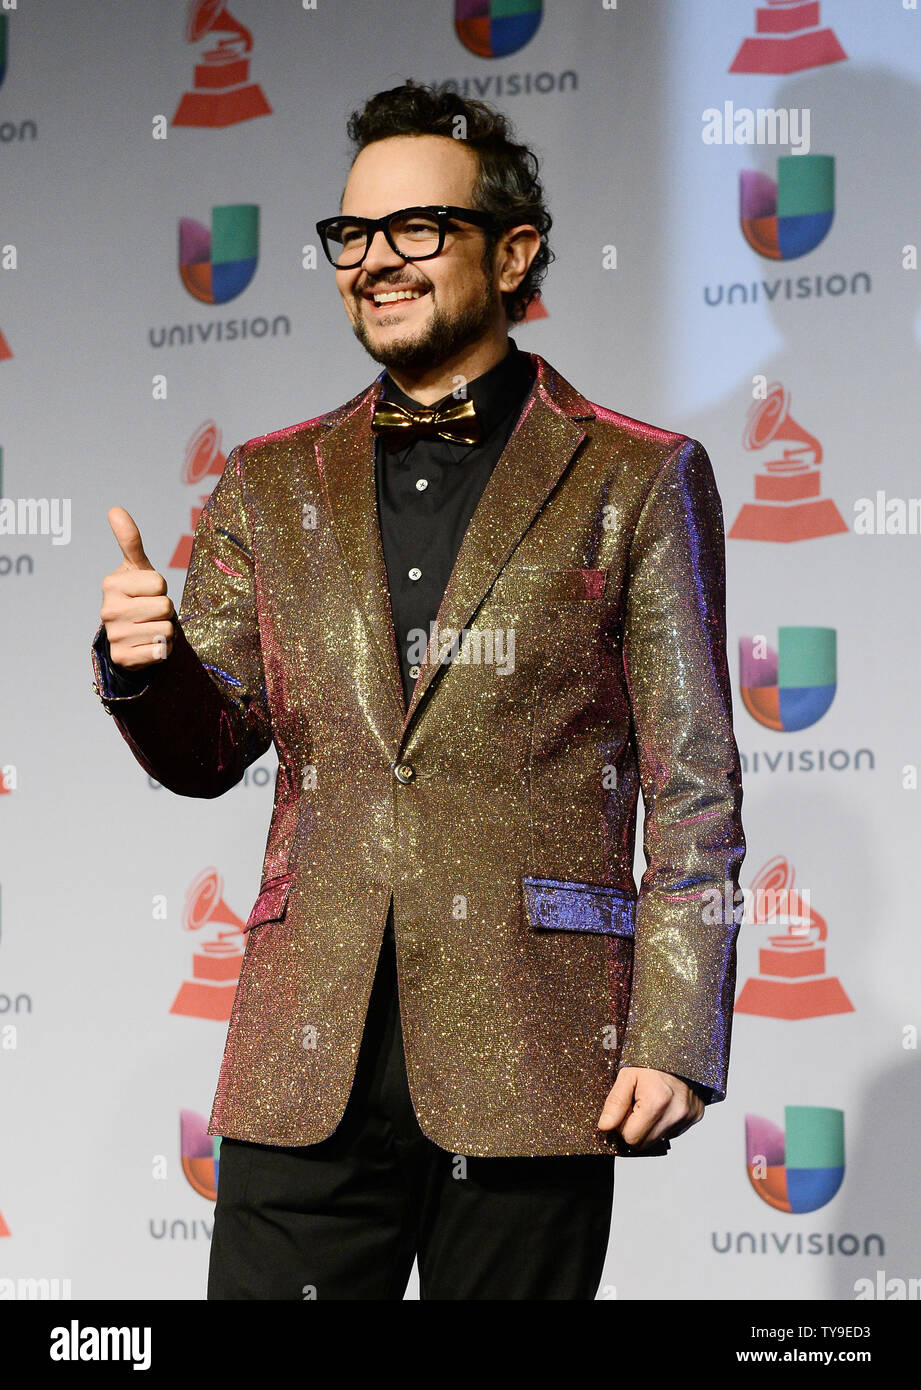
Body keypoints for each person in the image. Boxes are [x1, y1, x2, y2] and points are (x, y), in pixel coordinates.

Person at [91, 81, 745, 1300]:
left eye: (415, 230)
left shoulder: (639, 477)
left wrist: (677, 1029)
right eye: (351, 236)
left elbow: (694, 782)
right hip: (305, 1062)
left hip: (535, 1054)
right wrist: (148, 666)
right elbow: (206, 749)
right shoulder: (269, 479)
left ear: (514, 251)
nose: (374, 262)